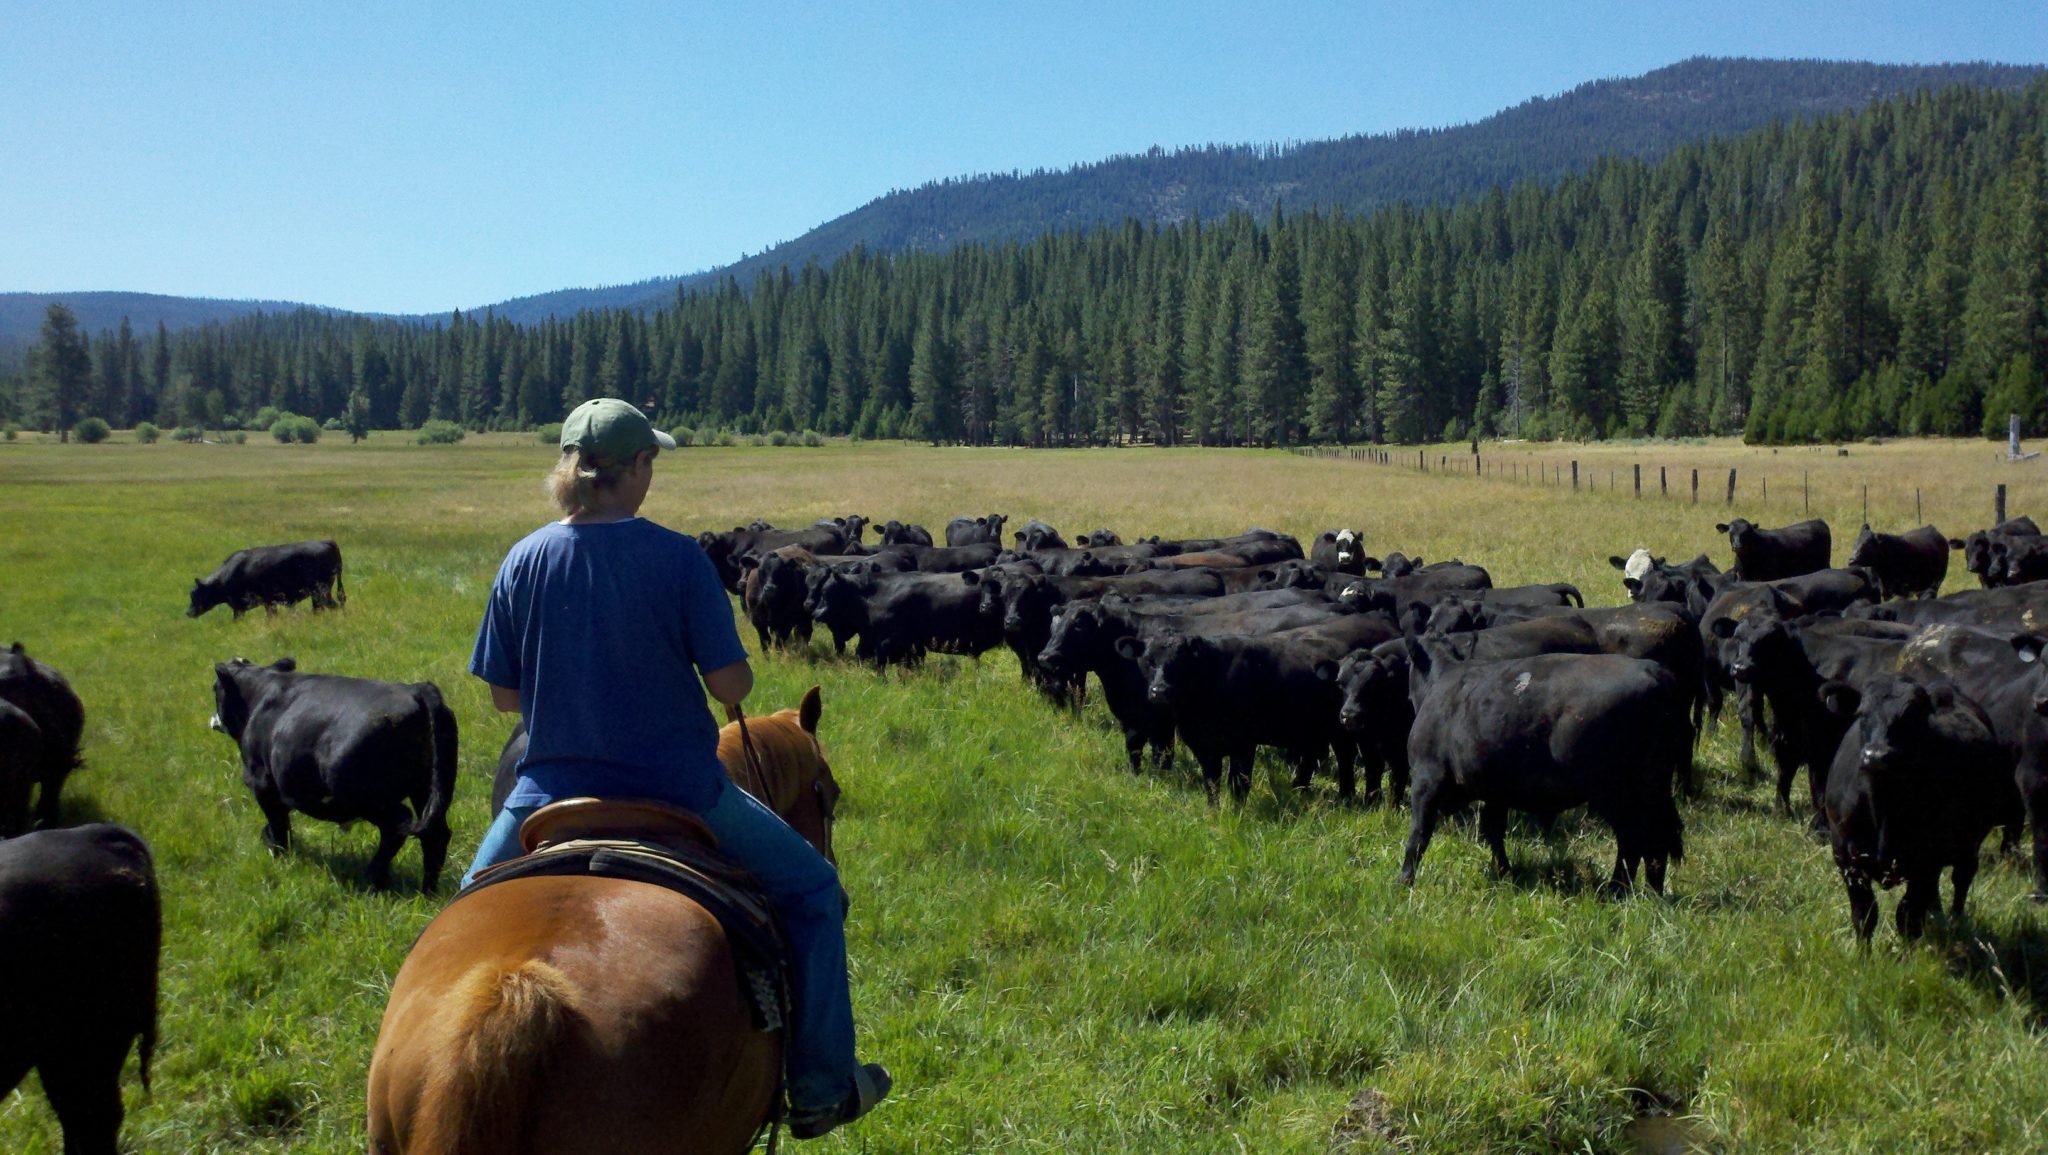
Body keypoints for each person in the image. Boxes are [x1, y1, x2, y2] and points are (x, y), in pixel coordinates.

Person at [463, 397, 890, 1139]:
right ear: (631, 470)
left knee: (463, 916)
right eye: (648, 461)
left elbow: (506, 697)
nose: (650, 473)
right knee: (816, 891)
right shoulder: (677, 557)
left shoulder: (523, 558)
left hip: (545, 789)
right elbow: (732, 688)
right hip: (680, 788)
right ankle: (821, 1083)